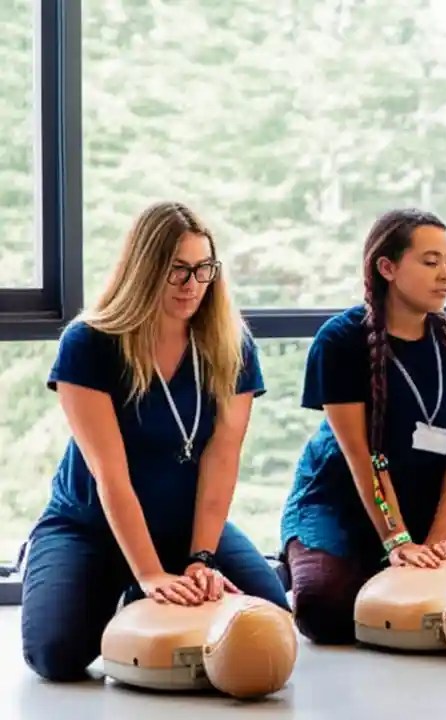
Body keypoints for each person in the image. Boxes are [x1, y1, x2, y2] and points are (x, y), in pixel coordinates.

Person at [20, 201, 288, 682]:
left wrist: (200, 560)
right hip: (90, 525)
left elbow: (222, 459)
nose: (193, 285)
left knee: (267, 619)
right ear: (144, 270)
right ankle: (108, 578)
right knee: (55, 656)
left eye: (203, 269)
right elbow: (111, 475)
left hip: (185, 527)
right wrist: (149, 574)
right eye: (177, 271)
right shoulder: (89, 342)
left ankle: (147, 592)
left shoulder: (232, 344)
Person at [279, 209, 446, 644]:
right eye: (430, 261)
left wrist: (438, 540)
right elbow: (361, 457)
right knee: (324, 612)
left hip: (426, 499)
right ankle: (315, 556)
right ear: (387, 267)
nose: (445, 275)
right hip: (341, 501)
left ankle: (384, 567)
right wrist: (396, 538)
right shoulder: (340, 341)